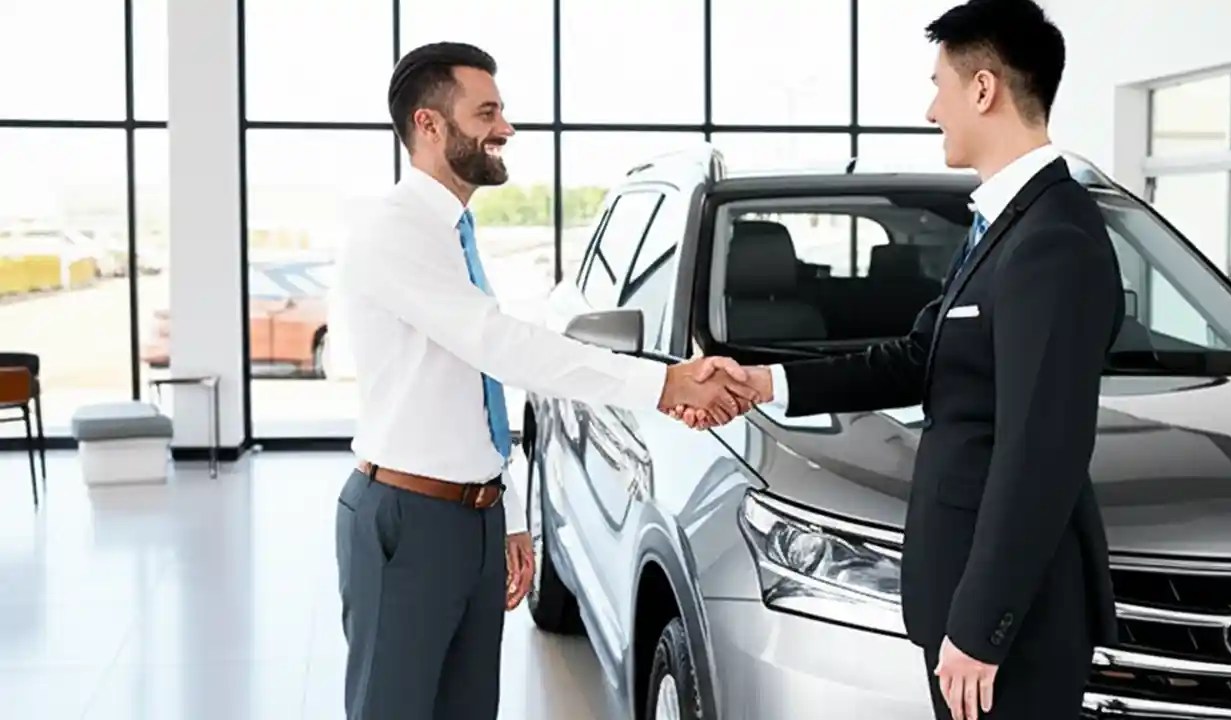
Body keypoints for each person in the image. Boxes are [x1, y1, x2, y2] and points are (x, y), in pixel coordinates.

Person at [678, 1, 1123, 718]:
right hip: (968, 602)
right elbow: (922, 357)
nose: (930, 110)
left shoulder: (1053, 241)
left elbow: (1040, 451)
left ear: (983, 89)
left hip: (1014, 625)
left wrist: (981, 626)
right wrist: (765, 380)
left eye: (939, 86)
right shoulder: (1007, 224)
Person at [333, 41, 757, 720]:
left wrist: (505, 512)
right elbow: (502, 348)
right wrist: (665, 383)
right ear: (429, 124)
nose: (505, 128)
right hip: (408, 521)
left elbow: (475, 391)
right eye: (488, 112)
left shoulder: (452, 232)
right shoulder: (394, 231)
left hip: (467, 516)